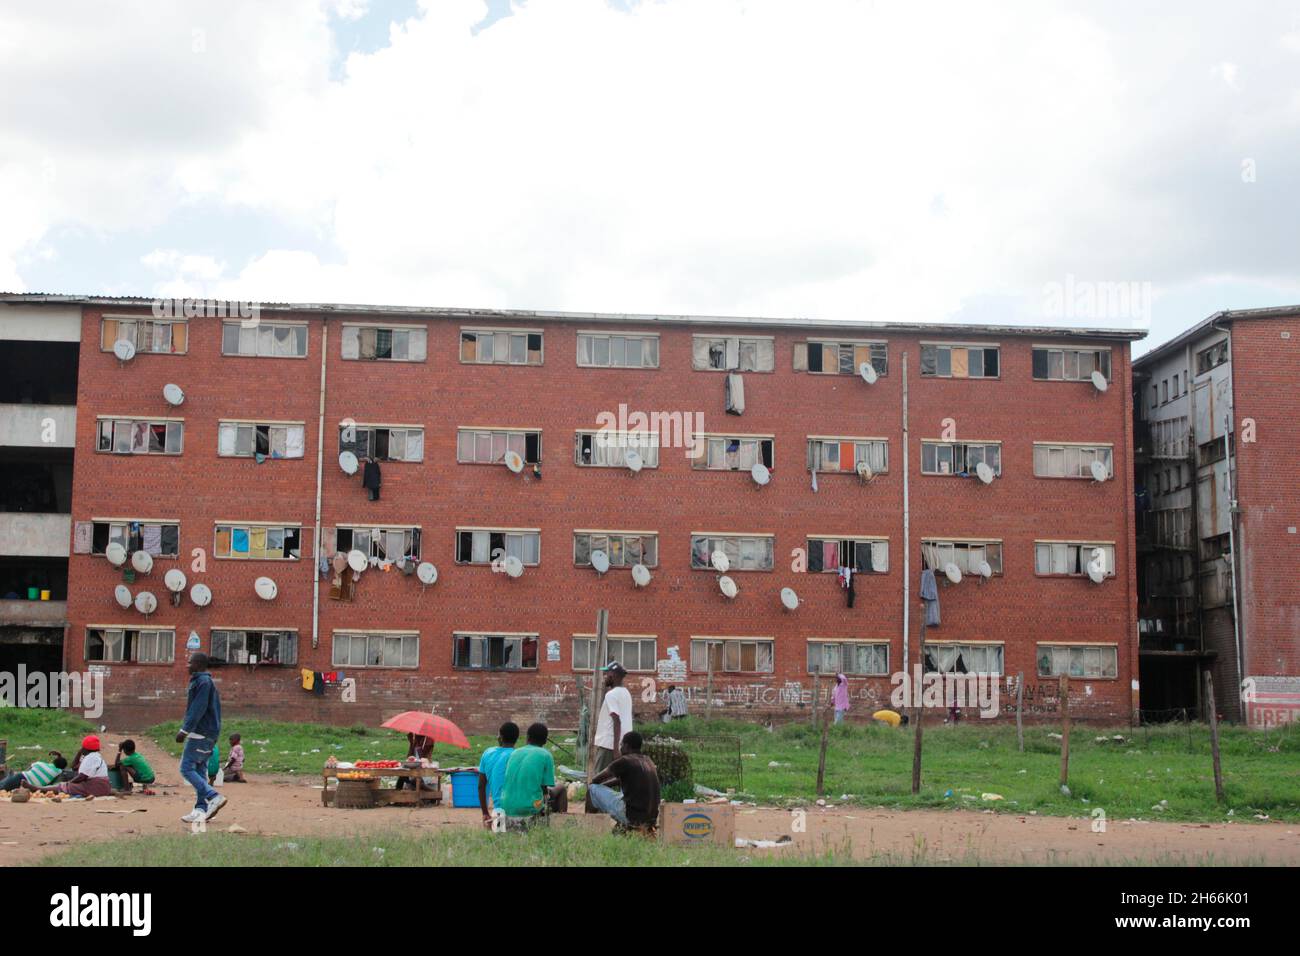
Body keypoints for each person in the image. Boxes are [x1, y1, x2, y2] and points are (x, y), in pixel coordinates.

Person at [175, 652, 226, 824]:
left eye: (190, 662)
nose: (187, 665)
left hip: (201, 731)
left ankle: (214, 796)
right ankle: (200, 809)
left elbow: (198, 707)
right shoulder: (205, 681)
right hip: (210, 732)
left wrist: (184, 730)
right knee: (200, 770)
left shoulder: (203, 682)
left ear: (198, 664)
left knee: (186, 768)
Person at [588, 731, 660, 833]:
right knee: (623, 795)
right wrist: (605, 786)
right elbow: (621, 779)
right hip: (651, 818)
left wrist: (598, 786)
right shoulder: (648, 760)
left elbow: (596, 780)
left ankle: (587, 826)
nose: (620, 748)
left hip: (632, 816)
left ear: (626, 746)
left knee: (592, 789)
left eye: (621, 744)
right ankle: (622, 830)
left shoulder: (625, 761)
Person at [497, 722, 566, 828]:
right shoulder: (546, 755)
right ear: (545, 741)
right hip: (529, 809)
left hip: (506, 807)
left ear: (527, 737)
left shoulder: (515, 753)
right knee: (560, 788)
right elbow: (545, 788)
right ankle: (561, 823)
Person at [586, 661, 633, 812]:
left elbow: (616, 720)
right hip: (624, 744)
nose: (605, 677)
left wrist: (615, 750)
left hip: (609, 745)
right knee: (619, 781)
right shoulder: (626, 693)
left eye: (607, 674)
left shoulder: (611, 695)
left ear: (613, 675)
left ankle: (593, 816)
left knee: (596, 784)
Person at [35, 736, 110, 797]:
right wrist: (80, 752)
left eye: (82, 747)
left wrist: (69, 783)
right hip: (101, 787)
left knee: (64, 785)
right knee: (66, 782)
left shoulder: (90, 758)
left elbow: (82, 776)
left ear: (85, 748)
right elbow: (74, 767)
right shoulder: (94, 756)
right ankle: (42, 788)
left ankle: (37, 789)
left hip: (94, 788)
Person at [477, 721, 519, 827]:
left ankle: (495, 825)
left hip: (499, 812)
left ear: (500, 737)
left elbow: (481, 786)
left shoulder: (487, 753)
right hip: (519, 810)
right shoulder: (518, 755)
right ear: (517, 738)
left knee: (500, 835)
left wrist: (485, 813)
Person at [0, 752, 67, 791]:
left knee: (2, 786)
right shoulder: (59, 772)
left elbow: (29, 769)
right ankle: (10, 776)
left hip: (21, 777)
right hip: (31, 787)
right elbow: (62, 763)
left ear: (53, 761)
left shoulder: (40, 764)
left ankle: (10, 775)